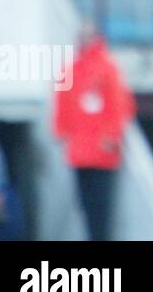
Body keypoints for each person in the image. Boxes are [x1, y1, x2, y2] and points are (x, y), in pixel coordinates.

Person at [53, 18, 136, 241]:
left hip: (102, 153)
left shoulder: (108, 69)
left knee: (102, 209)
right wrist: (61, 130)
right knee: (86, 206)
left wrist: (111, 135)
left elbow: (120, 105)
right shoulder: (69, 70)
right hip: (79, 153)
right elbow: (62, 104)